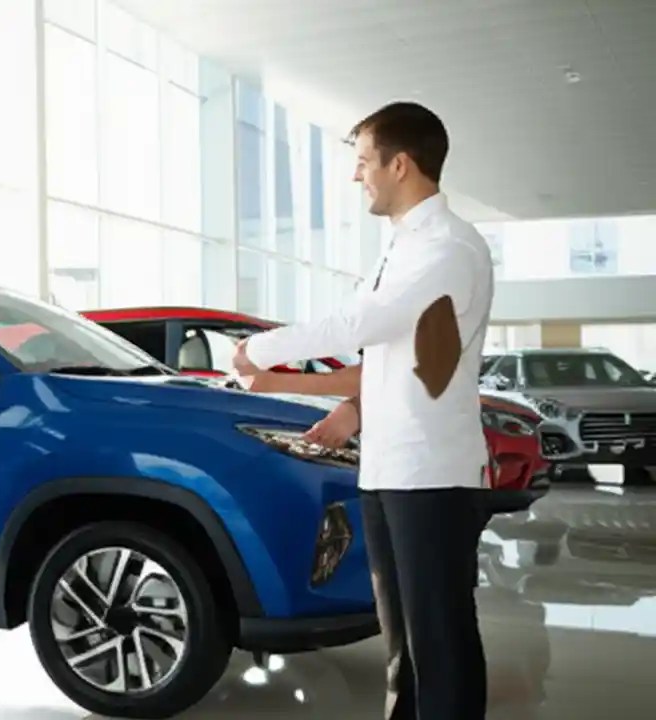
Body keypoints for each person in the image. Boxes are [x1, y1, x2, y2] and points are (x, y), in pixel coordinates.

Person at [231, 102, 494, 720]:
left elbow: (359, 324)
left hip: (432, 476)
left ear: (400, 164)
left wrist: (256, 348)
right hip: (389, 470)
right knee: (404, 647)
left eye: (363, 161)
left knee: (440, 641)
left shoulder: (450, 247)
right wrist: (347, 406)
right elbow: (400, 358)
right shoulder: (401, 249)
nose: (357, 177)